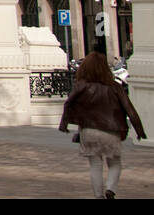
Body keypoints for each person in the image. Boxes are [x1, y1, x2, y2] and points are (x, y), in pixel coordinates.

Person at [60, 51, 147, 198]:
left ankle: (98, 195)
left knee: (95, 165)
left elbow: (68, 104)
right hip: (111, 130)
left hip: (89, 130)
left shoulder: (81, 86)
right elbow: (129, 109)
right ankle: (110, 189)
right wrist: (139, 130)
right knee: (114, 163)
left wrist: (65, 124)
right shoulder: (115, 87)